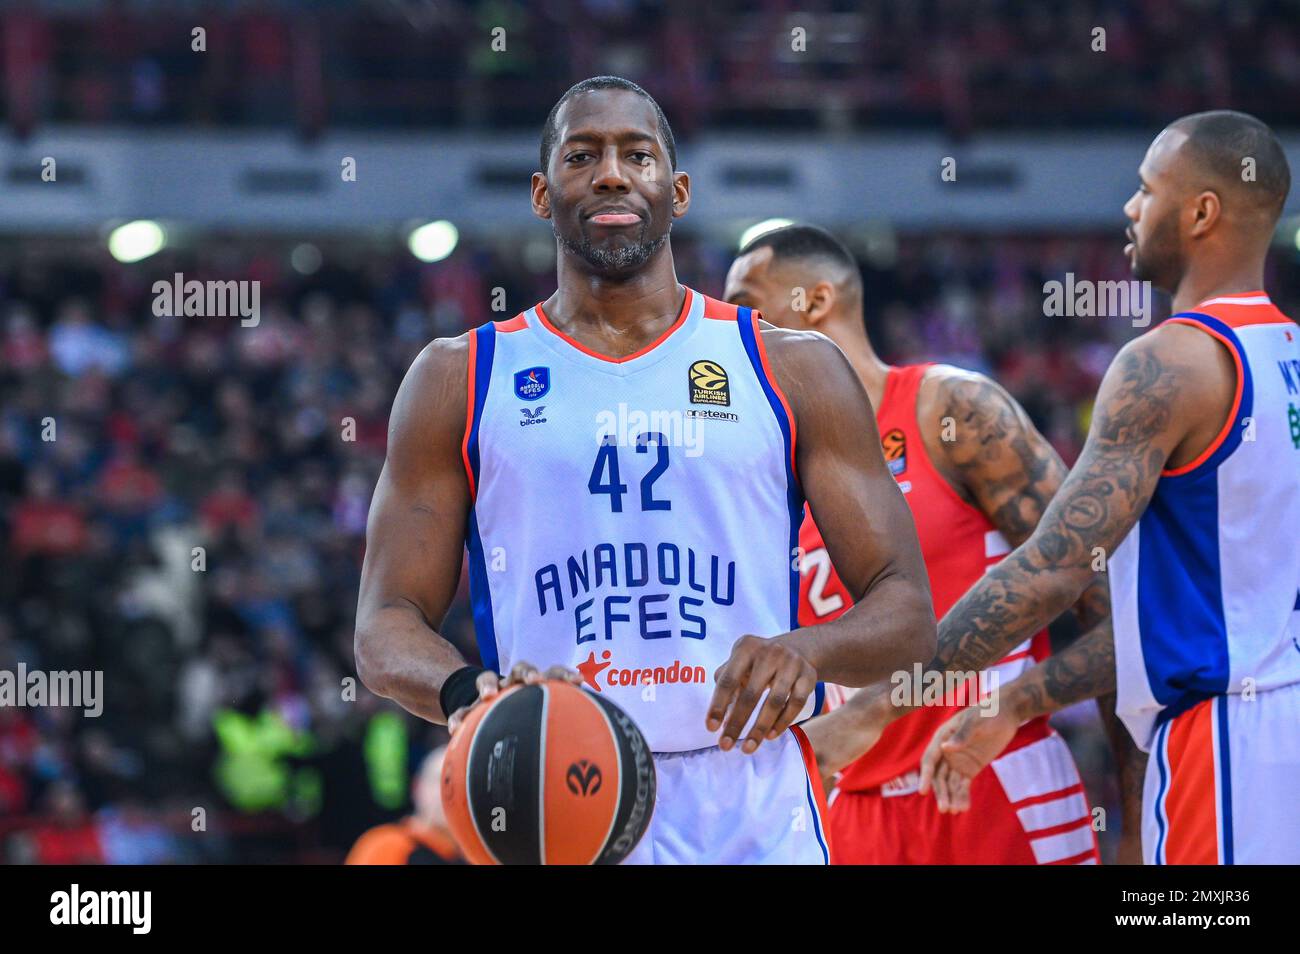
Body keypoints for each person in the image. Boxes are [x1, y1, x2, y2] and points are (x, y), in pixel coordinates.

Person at [353, 76, 935, 864]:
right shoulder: (460, 377)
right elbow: (385, 624)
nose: (612, 174)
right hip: (558, 793)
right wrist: (469, 696)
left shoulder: (790, 365)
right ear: (540, 192)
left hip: (751, 798)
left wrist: (810, 651)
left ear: (679, 189)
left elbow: (906, 611)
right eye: (581, 156)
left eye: (639, 154)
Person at [894, 111, 1297, 865]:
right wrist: (1015, 701)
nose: (1128, 209)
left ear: (1202, 211)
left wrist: (888, 698)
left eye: (1145, 190)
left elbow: (1053, 567)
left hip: (1233, 739)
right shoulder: (1288, 352)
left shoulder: (1169, 363)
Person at [726, 224, 1138, 865]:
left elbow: (1106, 604)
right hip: (852, 808)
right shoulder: (766, 471)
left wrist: (1133, 816)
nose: (732, 329)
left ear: (817, 301)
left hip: (992, 784)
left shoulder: (951, 409)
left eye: (747, 304)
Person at [345, 747, 462, 865]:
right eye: (440, 780)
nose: (444, 792)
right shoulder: (388, 845)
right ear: (416, 786)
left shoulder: (471, 854)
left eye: (459, 783)